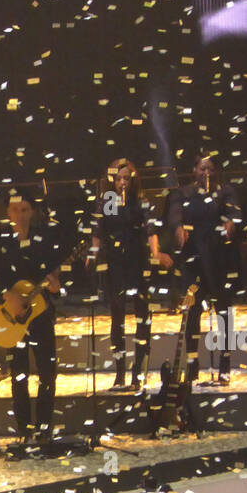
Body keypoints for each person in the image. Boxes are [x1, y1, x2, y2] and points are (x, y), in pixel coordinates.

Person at [0, 188, 68, 455]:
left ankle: (44, 429)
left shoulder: (46, 239)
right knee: (19, 374)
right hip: (11, 316)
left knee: (47, 372)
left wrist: (55, 288)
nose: (20, 215)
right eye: (15, 210)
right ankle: (23, 429)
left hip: (40, 315)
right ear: (7, 212)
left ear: (33, 212)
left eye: (25, 210)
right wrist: (8, 295)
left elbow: (56, 281)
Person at [87, 159, 170, 391]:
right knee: (117, 317)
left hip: (138, 261)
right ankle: (120, 372)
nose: (122, 183)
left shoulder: (140, 201)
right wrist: (92, 254)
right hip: (115, 263)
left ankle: (138, 372)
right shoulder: (108, 202)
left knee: (142, 316)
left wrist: (156, 252)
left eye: (126, 178)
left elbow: (150, 229)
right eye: (119, 178)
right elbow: (98, 231)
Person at [168, 153, 242, 386]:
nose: (206, 173)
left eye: (210, 169)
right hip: (194, 261)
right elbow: (175, 214)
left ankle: (225, 365)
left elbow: (235, 213)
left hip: (219, 259)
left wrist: (231, 222)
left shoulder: (225, 192)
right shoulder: (184, 193)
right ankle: (192, 366)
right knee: (192, 315)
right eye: (202, 169)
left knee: (222, 313)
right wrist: (179, 227)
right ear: (194, 171)